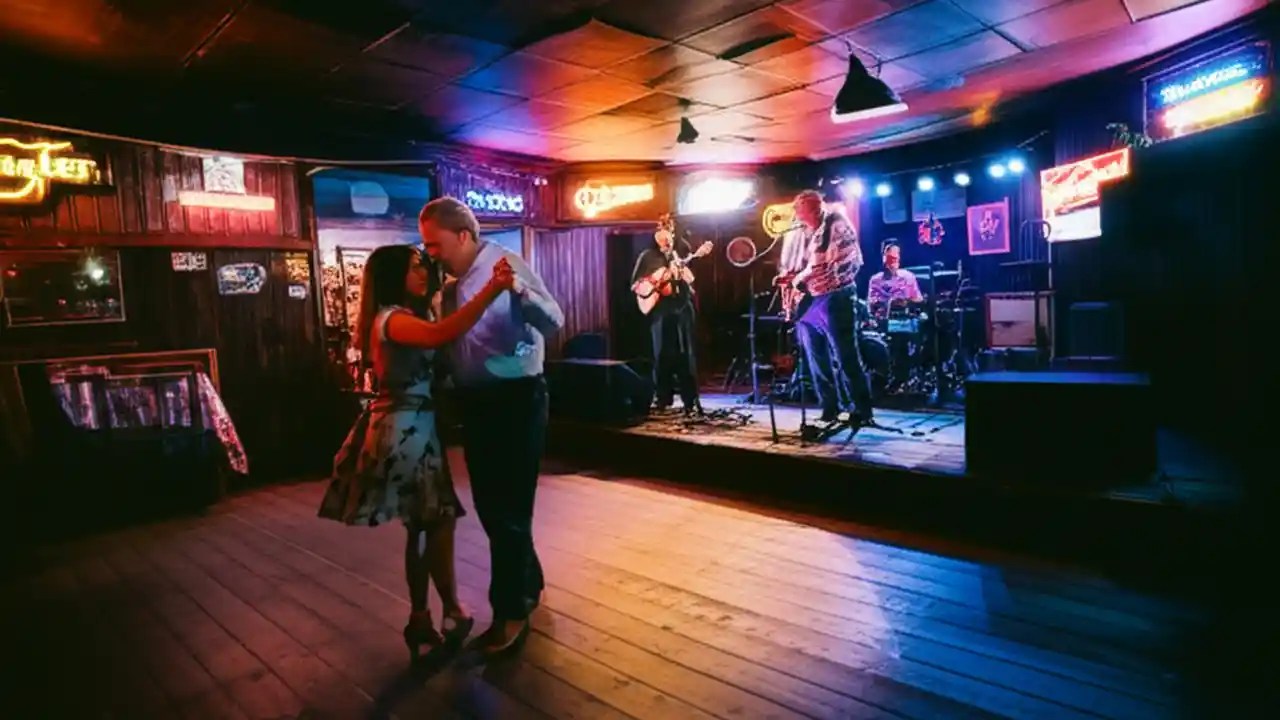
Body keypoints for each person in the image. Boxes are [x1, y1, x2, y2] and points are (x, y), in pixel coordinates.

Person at [317, 244, 515, 662]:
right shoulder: (394, 320)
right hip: (407, 428)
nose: (422, 274)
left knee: (423, 526)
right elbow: (443, 335)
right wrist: (492, 289)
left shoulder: (399, 317)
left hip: (410, 424)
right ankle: (449, 612)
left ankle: (426, 615)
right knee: (437, 521)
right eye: (413, 269)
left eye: (423, 266)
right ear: (393, 276)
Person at [419, 196, 564, 658]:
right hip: (477, 403)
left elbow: (555, 321)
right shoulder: (453, 284)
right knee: (493, 506)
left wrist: (519, 292)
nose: (430, 253)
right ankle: (530, 584)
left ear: (463, 236)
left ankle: (511, 612)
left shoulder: (505, 263)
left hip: (516, 400)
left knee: (507, 509)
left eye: (435, 244)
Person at [778, 190, 875, 424]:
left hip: (836, 297)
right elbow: (808, 266)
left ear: (815, 209)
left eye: (801, 212)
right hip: (812, 300)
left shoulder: (837, 223)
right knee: (816, 357)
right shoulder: (806, 231)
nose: (798, 218)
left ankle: (862, 409)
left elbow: (843, 263)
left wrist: (800, 278)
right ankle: (830, 406)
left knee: (845, 356)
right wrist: (792, 277)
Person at [631, 215, 707, 414]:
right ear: (657, 235)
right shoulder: (647, 256)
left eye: (668, 237)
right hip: (660, 309)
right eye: (661, 237)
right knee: (662, 354)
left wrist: (679, 268)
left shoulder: (682, 250)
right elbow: (636, 285)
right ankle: (663, 398)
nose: (665, 242)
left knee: (686, 354)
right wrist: (655, 279)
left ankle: (690, 400)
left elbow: (691, 280)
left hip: (682, 307)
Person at [867, 242, 924, 312]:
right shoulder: (875, 280)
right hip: (883, 317)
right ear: (883, 258)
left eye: (894, 258)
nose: (892, 263)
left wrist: (906, 302)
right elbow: (871, 304)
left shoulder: (909, 276)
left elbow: (919, 299)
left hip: (905, 317)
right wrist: (887, 303)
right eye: (889, 258)